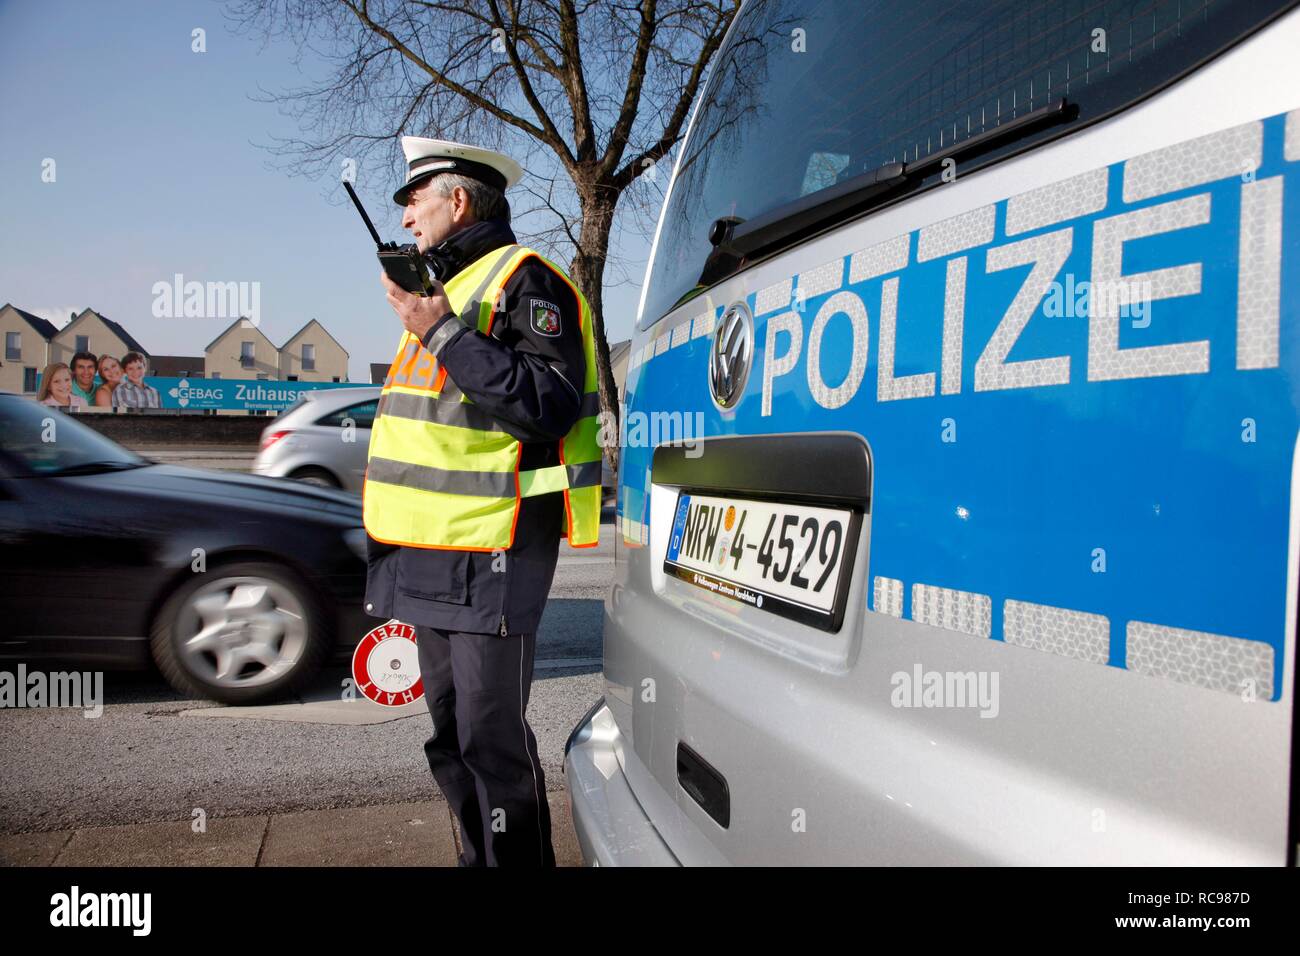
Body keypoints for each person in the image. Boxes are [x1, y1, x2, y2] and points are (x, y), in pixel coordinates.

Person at [363, 137, 603, 867]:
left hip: (492, 550)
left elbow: (547, 404)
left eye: (414, 199)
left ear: (457, 199)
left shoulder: (524, 281)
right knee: (448, 739)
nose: (406, 217)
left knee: (490, 743)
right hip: (433, 553)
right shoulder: (443, 294)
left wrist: (439, 331)